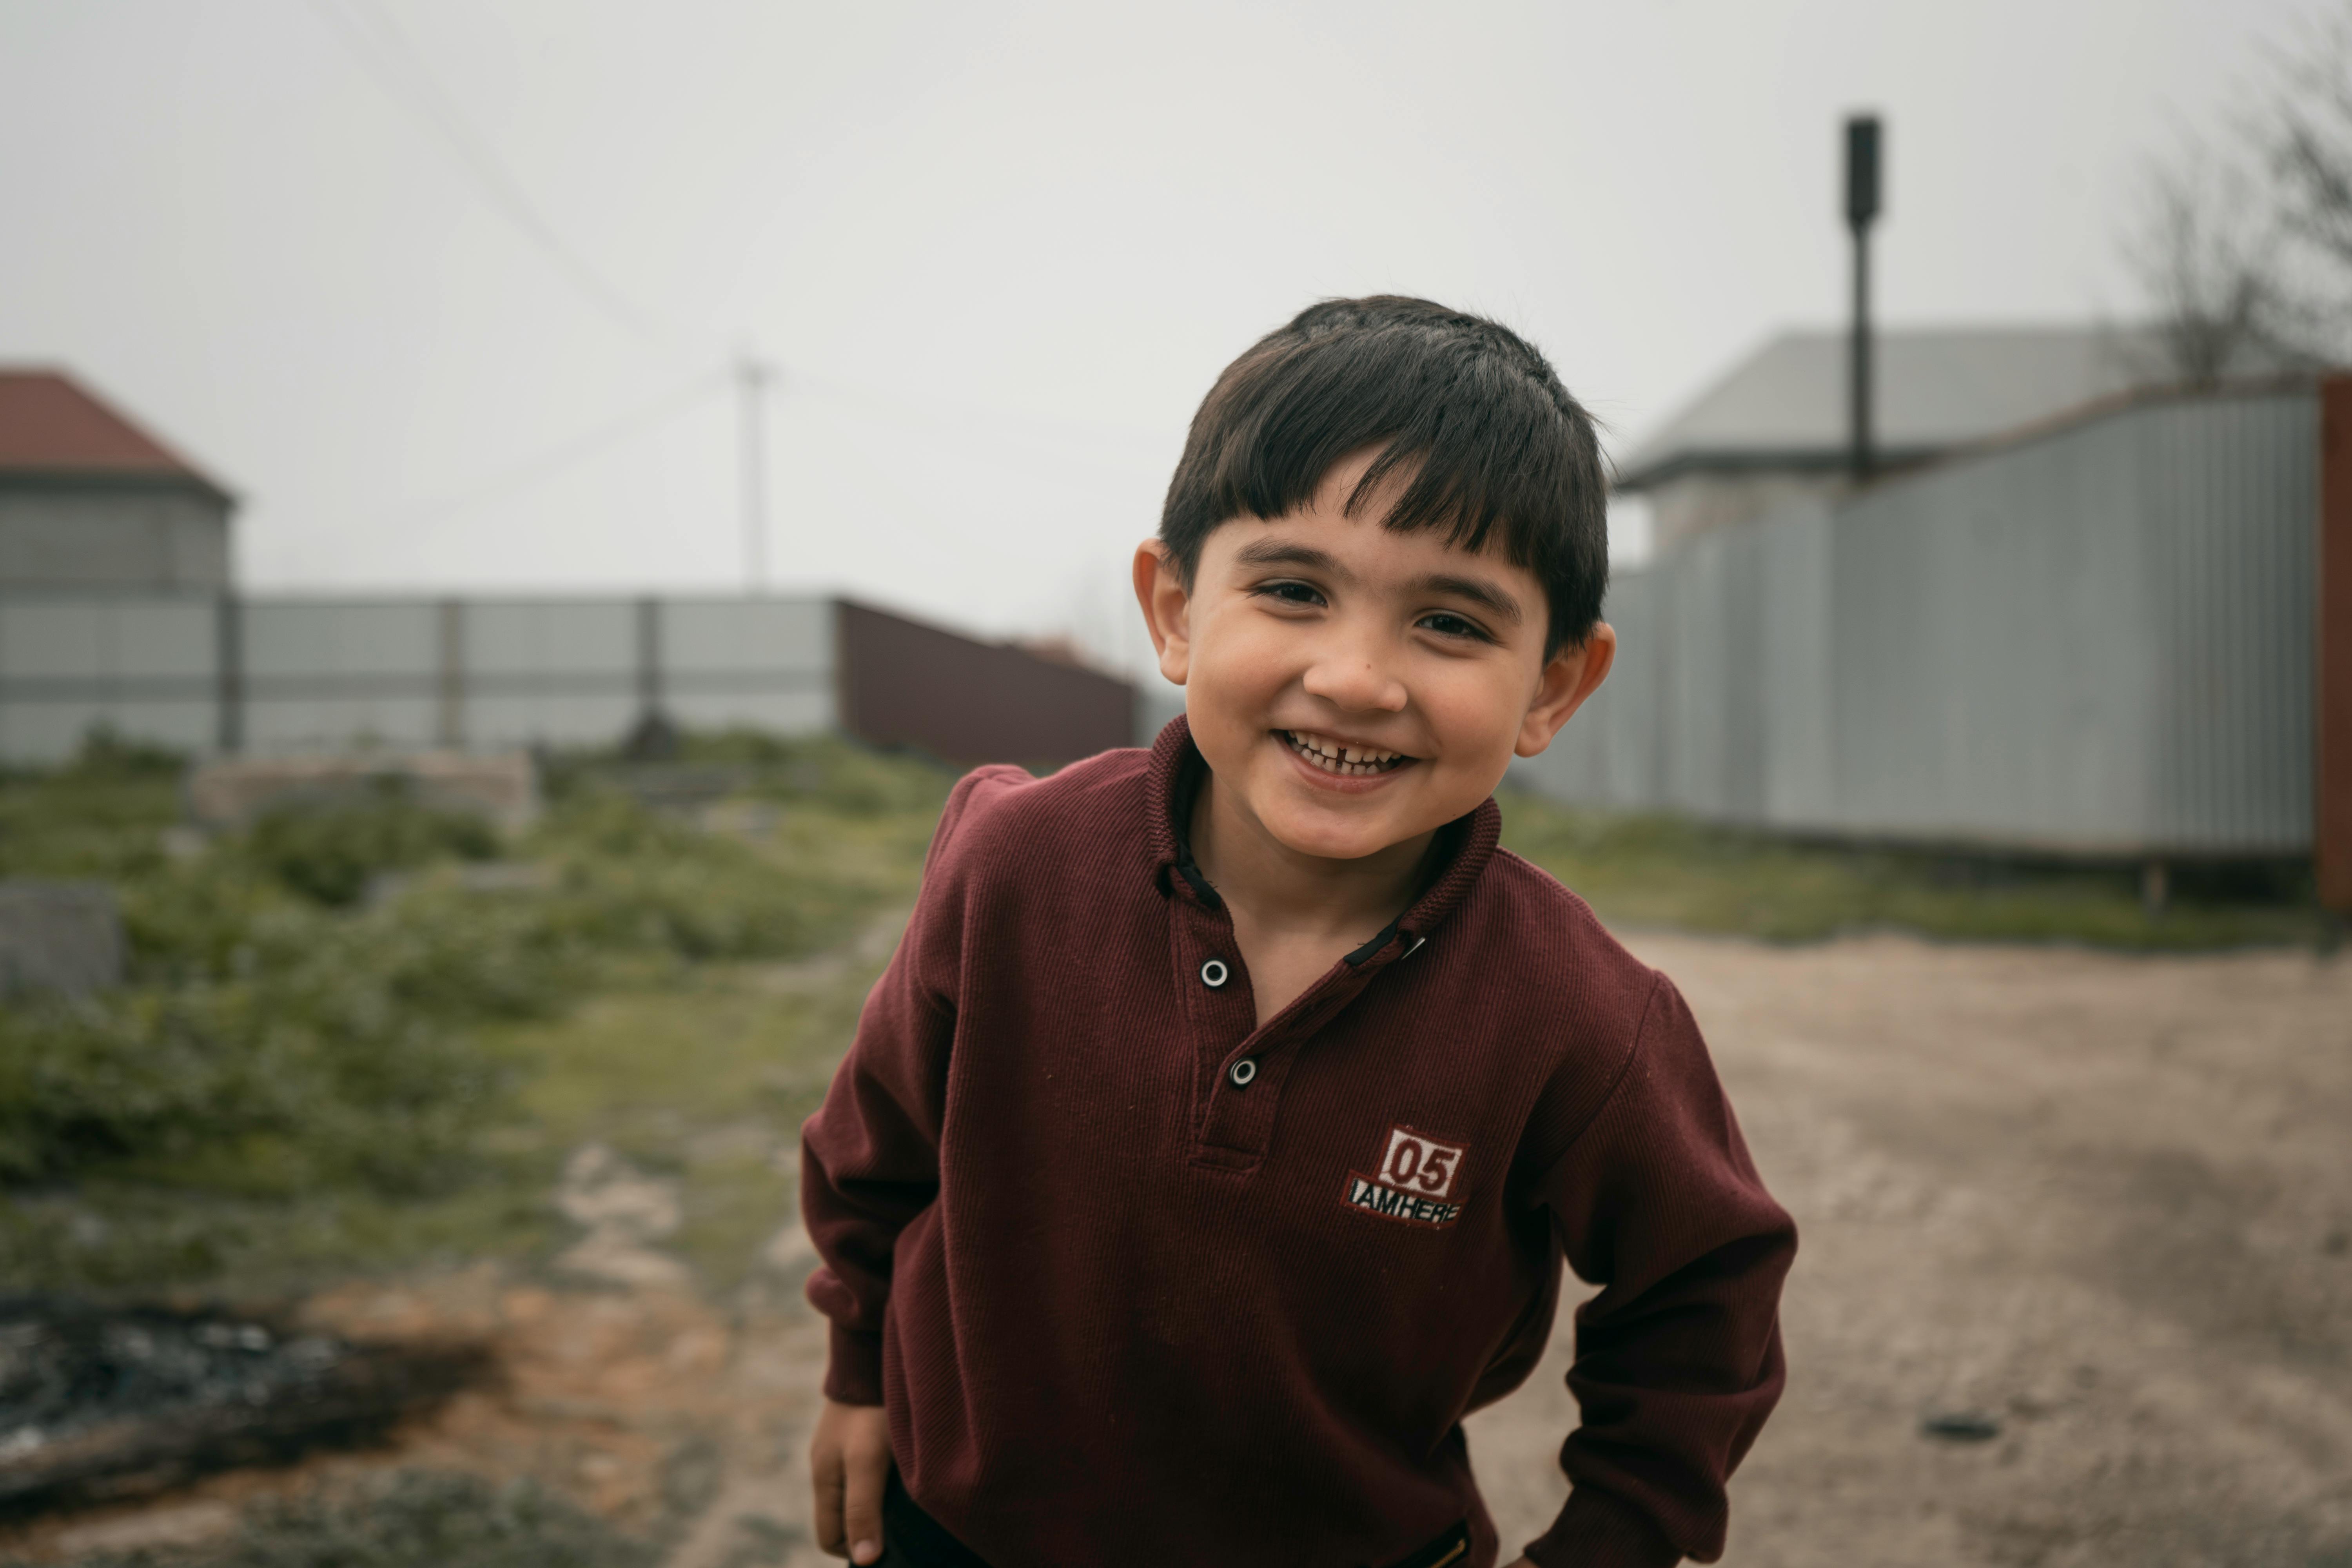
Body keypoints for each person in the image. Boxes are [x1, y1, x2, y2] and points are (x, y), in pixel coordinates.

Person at [800, 296, 1795, 1568]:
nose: (1355, 678)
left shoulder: (1579, 1016)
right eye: (1292, 589)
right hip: (963, 1533)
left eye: (1450, 621)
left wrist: (1621, 1535)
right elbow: (874, 1148)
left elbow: (1707, 1288)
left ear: (1554, 684)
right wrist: (857, 1374)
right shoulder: (1014, 867)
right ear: (1173, 609)